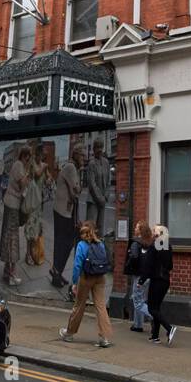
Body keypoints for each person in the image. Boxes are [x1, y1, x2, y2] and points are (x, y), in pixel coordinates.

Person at [59, 221, 114, 348]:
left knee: (79, 305)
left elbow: (77, 265)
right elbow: (106, 259)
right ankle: (104, 337)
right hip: (100, 277)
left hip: (86, 277)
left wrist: (74, 282)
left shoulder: (81, 245)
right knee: (101, 306)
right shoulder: (100, 244)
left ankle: (69, 333)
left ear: (82, 234)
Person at [50, 147, 83, 288]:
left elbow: (76, 192)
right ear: (76, 155)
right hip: (63, 212)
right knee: (65, 243)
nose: (84, 157)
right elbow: (76, 191)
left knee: (64, 243)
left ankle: (57, 272)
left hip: (64, 211)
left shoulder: (72, 167)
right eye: (82, 155)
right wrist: (77, 189)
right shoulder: (71, 167)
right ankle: (56, 273)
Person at [0, 147, 30, 286]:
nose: (28, 159)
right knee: (12, 238)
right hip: (12, 204)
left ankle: (7, 271)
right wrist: (27, 174)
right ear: (25, 156)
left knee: (9, 236)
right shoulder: (19, 165)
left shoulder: (18, 166)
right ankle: (12, 274)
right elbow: (23, 184)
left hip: (11, 203)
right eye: (27, 156)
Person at [143, 224, 177, 345]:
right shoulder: (168, 246)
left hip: (156, 280)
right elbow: (170, 266)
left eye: (154, 231)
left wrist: (141, 280)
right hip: (165, 281)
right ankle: (155, 336)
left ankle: (169, 328)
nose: (152, 232)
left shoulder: (154, 246)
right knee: (156, 308)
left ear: (159, 234)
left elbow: (148, 265)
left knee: (151, 308)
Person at [124, 221, 152, 332]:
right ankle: (138, 325)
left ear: (140, 230)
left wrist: (128, 264)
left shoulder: (136, 243)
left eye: (136, 227)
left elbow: (134, 257)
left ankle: (157, 317)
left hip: (139, 276)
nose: (135, 229)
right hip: (148, 276)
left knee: (137, 301)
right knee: (141, 299)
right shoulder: (150, 243)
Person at [84, 140, 111, 234]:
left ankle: (98, 247)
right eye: (97, 147)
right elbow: (92, 184)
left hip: (102, 200)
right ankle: (89, 247)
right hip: (93, 200)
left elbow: (108, 181)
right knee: (91, 227)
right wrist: (100, 198)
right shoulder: (91, 164)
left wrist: (106, 196)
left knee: (100, 227)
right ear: (94, 149)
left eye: (101, 147)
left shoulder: (106, 163)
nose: (99, 150)